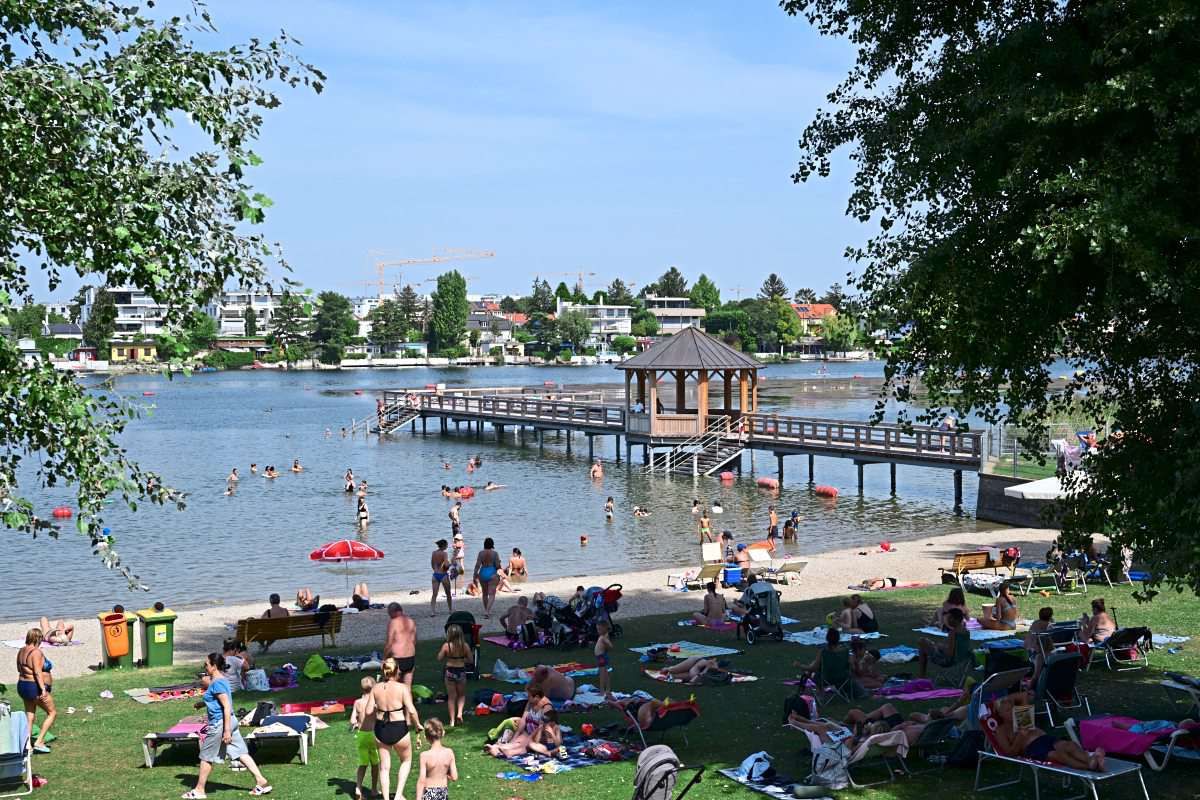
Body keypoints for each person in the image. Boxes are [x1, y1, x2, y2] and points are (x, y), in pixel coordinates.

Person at [184, 652, 272, 798]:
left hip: (221, 723)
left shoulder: (217, 683)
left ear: (214, 666)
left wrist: (226, 731)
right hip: (230, 721)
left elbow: (226, 706)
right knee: (240, 753)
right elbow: (218, 700)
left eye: (206, 664)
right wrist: (203, 703)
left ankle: (199, 790)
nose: (205, 667)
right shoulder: (220, 680)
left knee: (206, 756)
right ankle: (261, 781)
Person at [990, 690, 1106, 770]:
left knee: (1069, 746)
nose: (1011, 712)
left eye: (1012, 709)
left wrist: (1005, 699)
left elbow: (1022, 696)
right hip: (1033, 748)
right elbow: (1009, 753)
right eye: (1006, 711)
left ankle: (1091, 760)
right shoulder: (1001, 731)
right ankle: (1090, 765)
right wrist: (1021, 736)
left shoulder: (1022, 718)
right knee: (1059, 755)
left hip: (1045, 738)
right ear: (999, 714)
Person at [370, 658, 422, 800]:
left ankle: (386, 798)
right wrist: (417, 725)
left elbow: (369, 710)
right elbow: (411, 710)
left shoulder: (375, 688)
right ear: (397, 670)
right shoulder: (402, 688)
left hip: (381, 728)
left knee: (384, 767)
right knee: (406, 760)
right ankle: (398, 795)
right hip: (399, 727)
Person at [15, 628, 55, 753]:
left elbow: (19, 668)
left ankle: (27, 745)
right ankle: (39, 741)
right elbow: (37, 672)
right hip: (34, 687)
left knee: (30, 716)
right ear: (37, 638)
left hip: (22, 685)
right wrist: (43, 689)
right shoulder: (36, 652)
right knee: (52, 712)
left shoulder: (21, 651)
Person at [486, 686, 553, 758]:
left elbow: (541, 728)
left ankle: (504, 751)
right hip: (529, 730)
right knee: (517, 740)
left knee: (525, 743)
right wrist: (515, 736)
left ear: (536, 697)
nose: (527, 698)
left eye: (529, 696)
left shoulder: (547, 707)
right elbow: (524, 719)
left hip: (542, 735)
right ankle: (498, 749)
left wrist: (529, 739)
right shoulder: (531, 702)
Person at [351, 677, 382, 800]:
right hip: (374, 735)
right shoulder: (375, 703)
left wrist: (355, 723)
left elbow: (353, 719)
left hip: (361, 736)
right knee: (375, 764)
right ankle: (374, 789)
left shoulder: (357, 702)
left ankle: (358, 787)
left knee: (363, 763)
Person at [918, 607, 970, 678]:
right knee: (927, 643)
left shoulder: (953, 633)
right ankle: (921, 676)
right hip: (960, 660)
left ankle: (921, 676)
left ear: (956, 619)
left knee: (922, 641)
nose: (948, 620)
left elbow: (949, 654)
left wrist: (939, 647)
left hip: (947, 661)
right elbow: (958, 649)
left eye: (950, 618)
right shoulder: (966, 632)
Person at [437, 625, 471, 727]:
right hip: (461, 670)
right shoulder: (465, 646)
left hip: (450, 670)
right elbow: (471, 660)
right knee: (461, 694)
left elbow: (439, 658)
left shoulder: (446, 646)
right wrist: (461, 659)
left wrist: (449, 657)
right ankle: (460, 714)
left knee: (451, 697)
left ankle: (452, 721)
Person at [416, 719, 457, 800]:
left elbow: (421, 780)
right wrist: (445, 774)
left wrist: (418, 798)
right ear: (443, 733)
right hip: (443, 792)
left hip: (429, 792)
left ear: (426, 737)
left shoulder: (424, 755)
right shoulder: (449, 752)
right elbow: (454, 777)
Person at [385, 603, 417, 686]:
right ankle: (408, 699)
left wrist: (384, 659)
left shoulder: (393, 622)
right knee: (407, 688)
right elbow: (414, 640)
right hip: (410, 657)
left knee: (393, 687)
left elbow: (389, 643)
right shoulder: (411, 621)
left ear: (392, 612)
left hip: (397, 657)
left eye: (389, 614)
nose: (389, 616)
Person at [473, 537, 503, 618]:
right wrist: (500, 567)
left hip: (482, 573)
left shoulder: (480, 553)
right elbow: (497, 566)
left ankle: (487, 610)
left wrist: (474, 574)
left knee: (485, 593)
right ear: (492, 545)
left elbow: (477, 565)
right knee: (492, 594)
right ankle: (487, 611)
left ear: (484, 544)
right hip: (492, 573)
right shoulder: (495, 553)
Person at [660, 656, 726, 685]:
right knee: (671, 670)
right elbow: (694, 680)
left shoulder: (718, 674)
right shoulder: (711, 665)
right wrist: (706, 669)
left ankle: (671, 672)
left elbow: (692, 681)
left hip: (694, 671)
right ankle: (668, 668)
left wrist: (706, 670)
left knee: (673, 676)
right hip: (694, 661)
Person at [431, 540, 453, 614]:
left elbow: (432, 564)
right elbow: (446, 565)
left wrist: (436, 570)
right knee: (448, 594)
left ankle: (432, 611)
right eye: (446, 545)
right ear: (443, 546)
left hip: (435, 575)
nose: (447, 546)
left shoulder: (434, 553)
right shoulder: (444, 553)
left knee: (434, 594)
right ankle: (450, 610)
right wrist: (451, 564)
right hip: (443, 575)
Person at [595, 621, 613, 695]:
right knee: (604, 673)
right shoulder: (603, 636)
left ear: (604, 629)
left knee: (602, 674)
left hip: (601, 657)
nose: (598, 631)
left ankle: (602, 691)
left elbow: (611, 646)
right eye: (597, 629)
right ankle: (607, 690)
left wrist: (606, 645)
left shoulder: (603, 637)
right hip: (601, 657)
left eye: (599, 629)